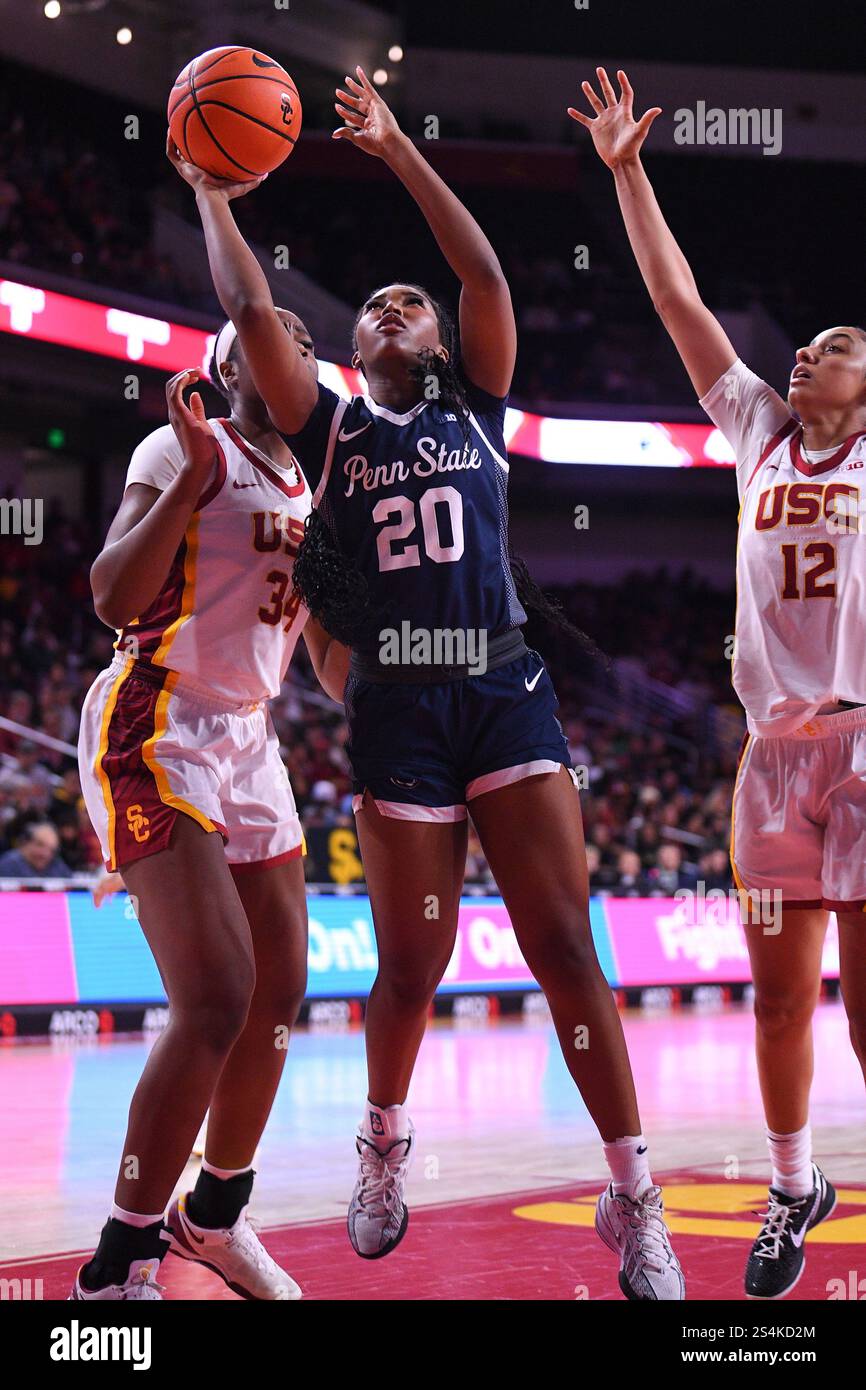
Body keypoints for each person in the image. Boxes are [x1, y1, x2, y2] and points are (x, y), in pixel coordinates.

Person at [168, 66, 684, 1301]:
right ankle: (384, 1145)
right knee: (412, 967)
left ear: (439, 344)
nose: (403, 305)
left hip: (503, 687)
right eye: (379, 305)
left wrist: (398, 148)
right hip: (398, 704)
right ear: (351, 350)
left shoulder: (476, 405)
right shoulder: (334, 427)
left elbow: (488, 279)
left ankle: (635, 1194)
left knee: (566, 945)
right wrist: (210, 193)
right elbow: (247, 310)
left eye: (416, 304)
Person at [570, 66, 865, 1298]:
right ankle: (791, 1185)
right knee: (778, 1003)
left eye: (836, 350)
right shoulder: (751, 423)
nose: (806, 356)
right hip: (767, 761)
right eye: (804, 346)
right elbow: (677, 299)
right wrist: (628, 174)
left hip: (860, 746)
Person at [73, 311, 348, 1301]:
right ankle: (120, 1258)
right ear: (222, 364)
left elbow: (326, 658)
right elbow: (112, 593)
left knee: (278, 993)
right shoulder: (181, 445)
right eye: (258, 328)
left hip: (249, 736)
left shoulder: (318, 488)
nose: (282, 341)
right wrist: (188, 478)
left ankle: (215, 1219)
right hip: (157, 713)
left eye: (302, 338)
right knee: (217, 997)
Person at [0, 819, 70, 878]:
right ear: (27, 843)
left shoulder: (56, 865)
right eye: (40, 845)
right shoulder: (9, 864)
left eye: (51, 850)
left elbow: (72, 886)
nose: (45, 854)